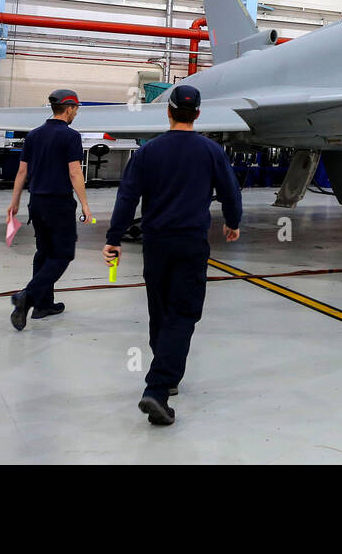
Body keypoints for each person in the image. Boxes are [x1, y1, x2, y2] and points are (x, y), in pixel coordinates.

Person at [102, 85, 243, 427]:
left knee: (160, 309)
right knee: (183, 314)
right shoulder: (211, 150)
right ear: (197, 114)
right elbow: (230, 191)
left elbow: (127, 197)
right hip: (191, 243)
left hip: (156, 243)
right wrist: (233, 222)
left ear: (169, 111)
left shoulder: (148, 152)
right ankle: (159, 387)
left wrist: (115, 237)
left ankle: (165, 373)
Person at [7, 89, 93, 331]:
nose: (76, 113)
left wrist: (14, 201)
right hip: (59, 203)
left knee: (43, 253)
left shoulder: (34, 135)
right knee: (63, 254)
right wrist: (85, 204)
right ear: (69, 109)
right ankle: (28, 295)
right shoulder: (70, 136)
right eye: (76, 109)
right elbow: (75, 172)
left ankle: (44, 305)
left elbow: (22, 172)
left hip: (37, 202)